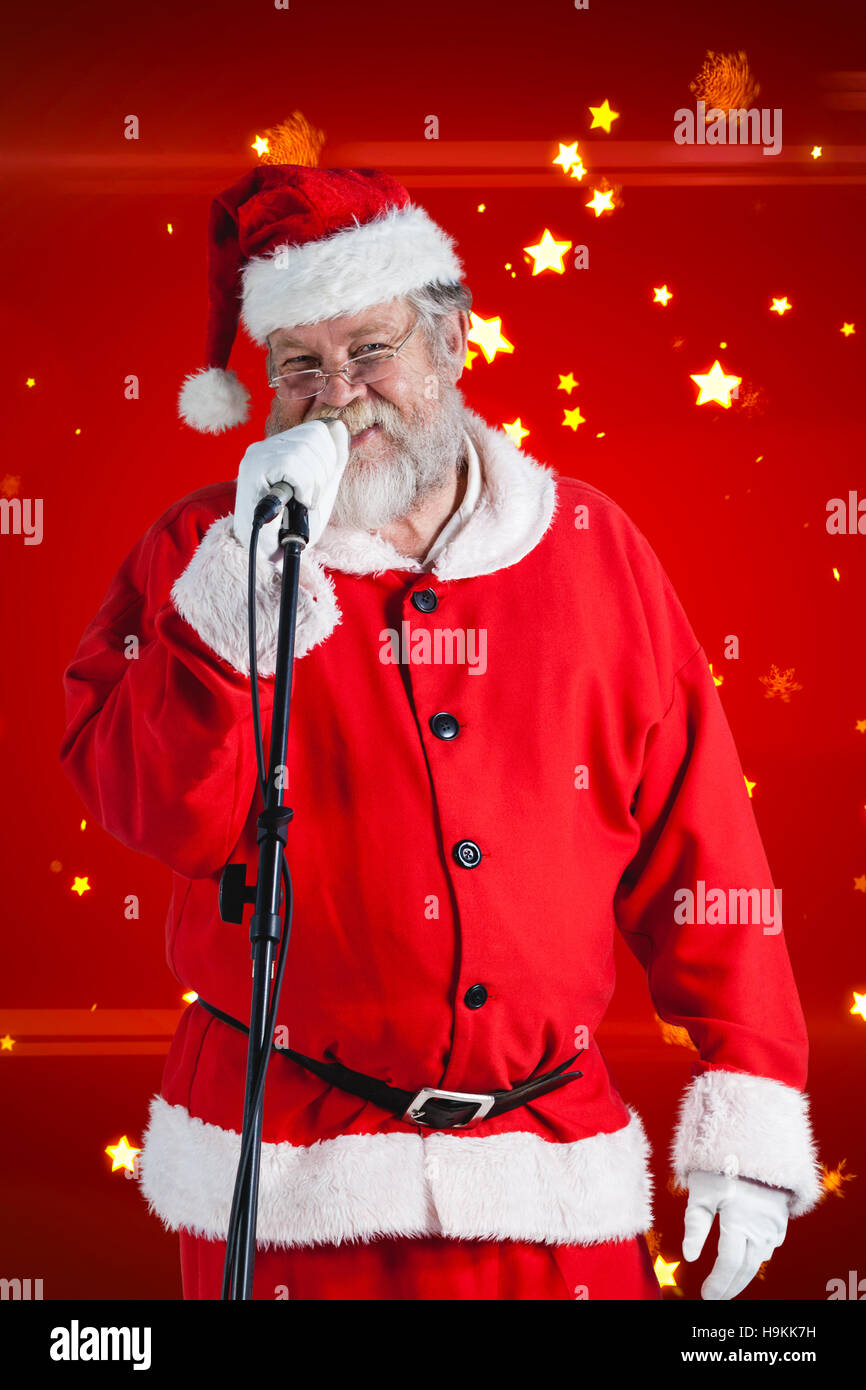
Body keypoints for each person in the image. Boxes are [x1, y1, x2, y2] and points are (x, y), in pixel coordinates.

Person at [59, 130, 822, 1302]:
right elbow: (157, 811)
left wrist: (749, 1092)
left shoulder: (588, 547)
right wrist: (238, 598)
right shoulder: (202, 551)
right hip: (283, 1180)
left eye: (371, 347)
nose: (341, 395)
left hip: (549, 1179)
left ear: (452, 339)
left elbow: (698, 840)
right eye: (300, 365)